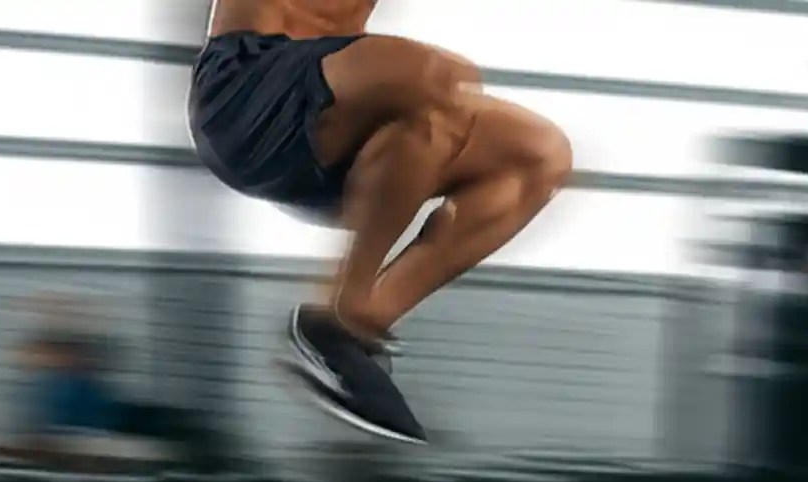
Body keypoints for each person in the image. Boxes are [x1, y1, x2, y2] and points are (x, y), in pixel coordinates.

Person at [189, 0, 574, 444]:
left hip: (337, 145)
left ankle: (352, 332)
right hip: (243, 100)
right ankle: (347, 307)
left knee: (540, 155)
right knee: (440, 78)